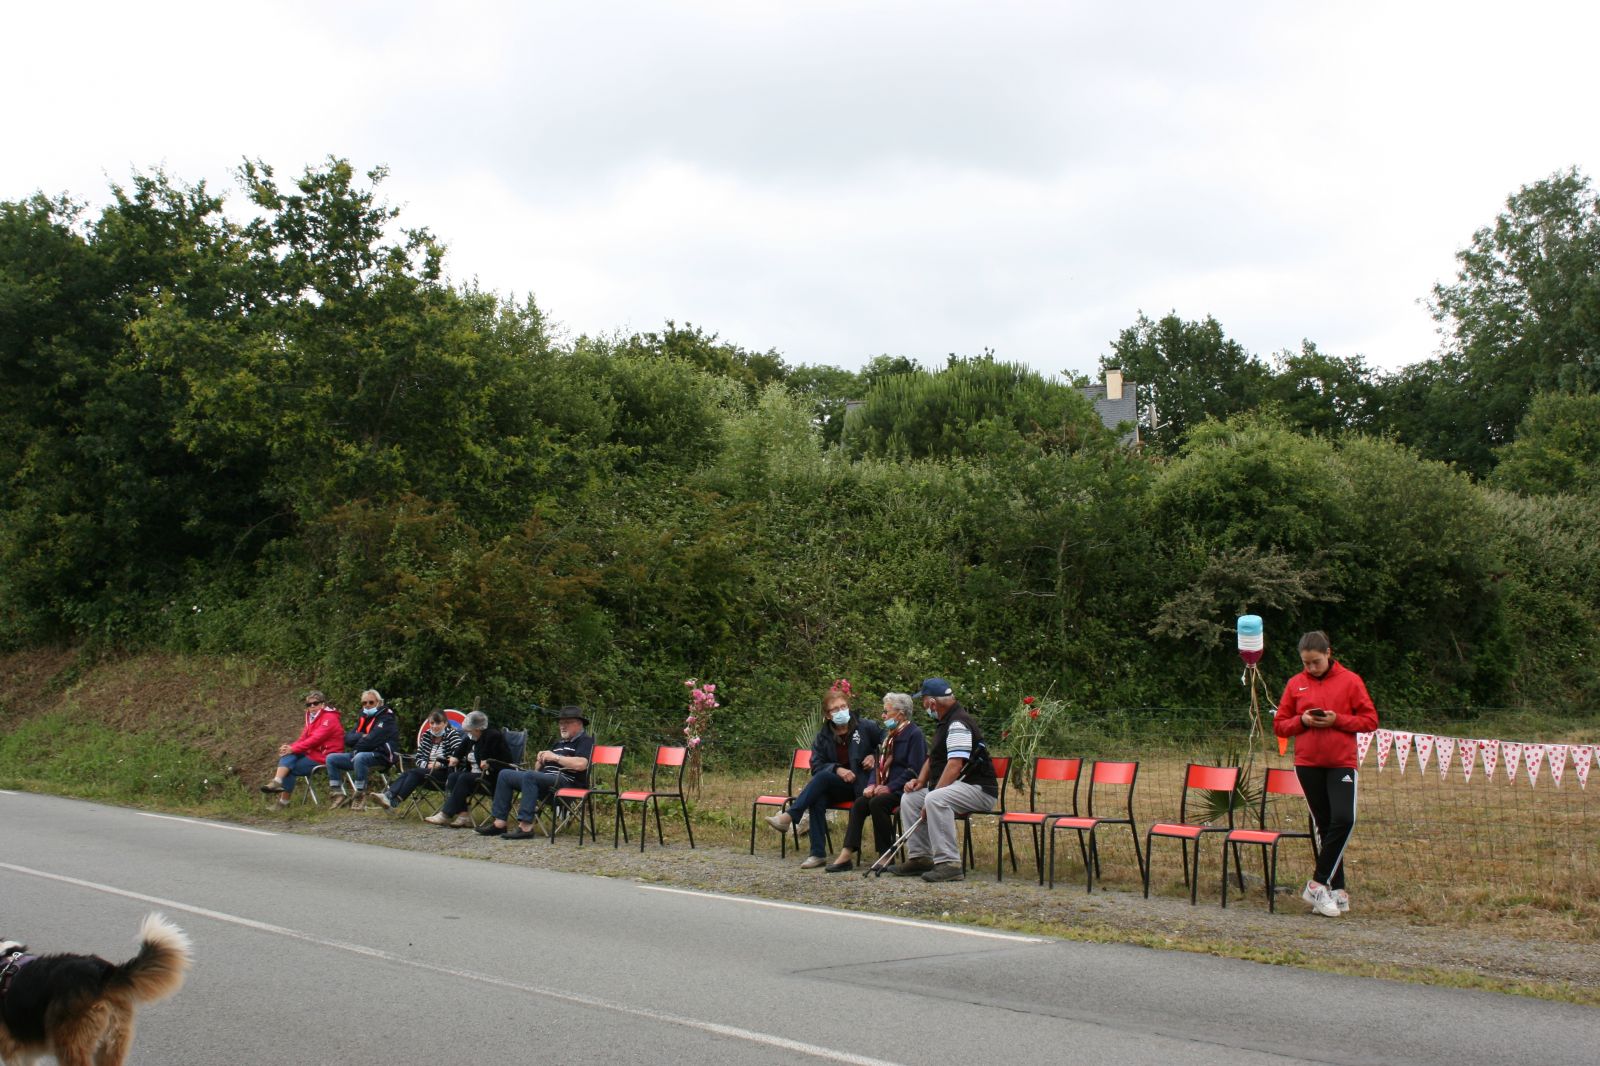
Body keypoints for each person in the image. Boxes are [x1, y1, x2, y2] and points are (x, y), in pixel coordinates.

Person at [1274, 630, 1379, 917]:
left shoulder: (1351, 681)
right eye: (1306, 663)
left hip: (1341, 762)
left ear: (1329, 654)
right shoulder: (1296, 684)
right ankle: (1336, 891)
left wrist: (1337, 720)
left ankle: (1317, 883)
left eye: (1315, 662)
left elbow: (1370, 720)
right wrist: (1303, 721)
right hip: (1308, 764)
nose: (1310, 668)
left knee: (1345, 819)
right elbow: (1280, 725)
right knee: (1325, 825)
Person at [890, 677, 998, 882]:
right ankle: (920, 857)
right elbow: (934, 758)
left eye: (923, 701)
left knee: (935, 799)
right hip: (960, 787)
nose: (923, 706)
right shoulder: (944, 722)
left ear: (932, 702)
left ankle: (949, 863)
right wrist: (920, 782)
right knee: (911, 798)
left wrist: (932, 794)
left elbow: (955, 765)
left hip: (979, 789)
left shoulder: (958, 723)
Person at [767, 680, 883, 868]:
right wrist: (838, 769)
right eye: (835, 709)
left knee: (820, 782)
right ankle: (817, 854)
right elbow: (816, 765)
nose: (841, 711)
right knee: (818, 796)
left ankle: (789, 816)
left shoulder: (865, 726)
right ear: (828, 715)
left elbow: (888, 741)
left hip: (862, 785)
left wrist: (874, 757)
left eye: (843, 707)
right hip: (838, 786)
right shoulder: (823, 737)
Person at [825, 692, 927, 873]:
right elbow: (878, 765)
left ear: (900, 714)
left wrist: (889, 787)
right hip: (884, 786)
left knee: (878, 803)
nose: (883, 716)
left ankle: (887, 853)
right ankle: (847, 854)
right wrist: (872, 784)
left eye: (886, 712)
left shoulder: (914, 734)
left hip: (904, 789)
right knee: (860, 803)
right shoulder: (890, 736)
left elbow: (914, 770)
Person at [478, 706, 596, 839]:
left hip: (567, 783)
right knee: (505, 774)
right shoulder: (559, 743)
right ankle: (499, 824)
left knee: (530, 776)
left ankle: (526, 827)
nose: (562, 726)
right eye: (561, 723)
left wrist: (555, 757)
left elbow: (581, 764)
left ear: (579, 724)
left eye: (567, 723)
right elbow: (536, 770)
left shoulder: (585, 740)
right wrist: (540, 760)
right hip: (546, 781)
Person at [424, 711, 511, 827]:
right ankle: (463, 816)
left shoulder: (492, 736)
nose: (468, 734)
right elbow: (459, 750)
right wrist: (455, 757)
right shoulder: (472, 736)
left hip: (494, 775)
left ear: (478, 729)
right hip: (476, 775)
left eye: (469, 731)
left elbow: (486, 757)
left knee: (464, 777)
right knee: (454, 776)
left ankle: (445, 814)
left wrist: (485, 761)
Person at [259, 691, 344, 808]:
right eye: (309, 704)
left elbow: (315, 739)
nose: (312, 706)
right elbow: (303, 738)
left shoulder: (329, 718)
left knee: (289, 768)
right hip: (312, 752)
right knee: (287, 756)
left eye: (315, 703)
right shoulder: (311, 717)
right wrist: (289, 748)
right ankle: (277, 781)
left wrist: (293, 749)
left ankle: (283, 803)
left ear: (323, 704)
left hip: (326, 755)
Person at [324, 689, 400, 809]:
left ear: (379, 703)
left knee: (360, 757)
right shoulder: (363, 716)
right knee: (331, 758)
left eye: (371, 702)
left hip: (382, 755)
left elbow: (372, 741)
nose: (367, 705)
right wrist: (361, 736)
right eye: (364, 703)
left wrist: (359, 741)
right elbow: (347, 738)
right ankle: (338, 794)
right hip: (360, 754)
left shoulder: (386, 718)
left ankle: (360, 794)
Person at [374, 710, 462, 810]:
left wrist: (440, 764)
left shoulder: (452, 735)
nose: (434, 726)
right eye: (432, 723)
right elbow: (419, 758)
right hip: (427, 772)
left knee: (414, 772)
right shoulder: (427, 735)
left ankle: (390, 797)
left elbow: (458, 756)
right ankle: (392, 800)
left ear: (445, 723)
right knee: (410, 773)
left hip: (446, 775)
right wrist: (426, 765)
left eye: (438, 723)